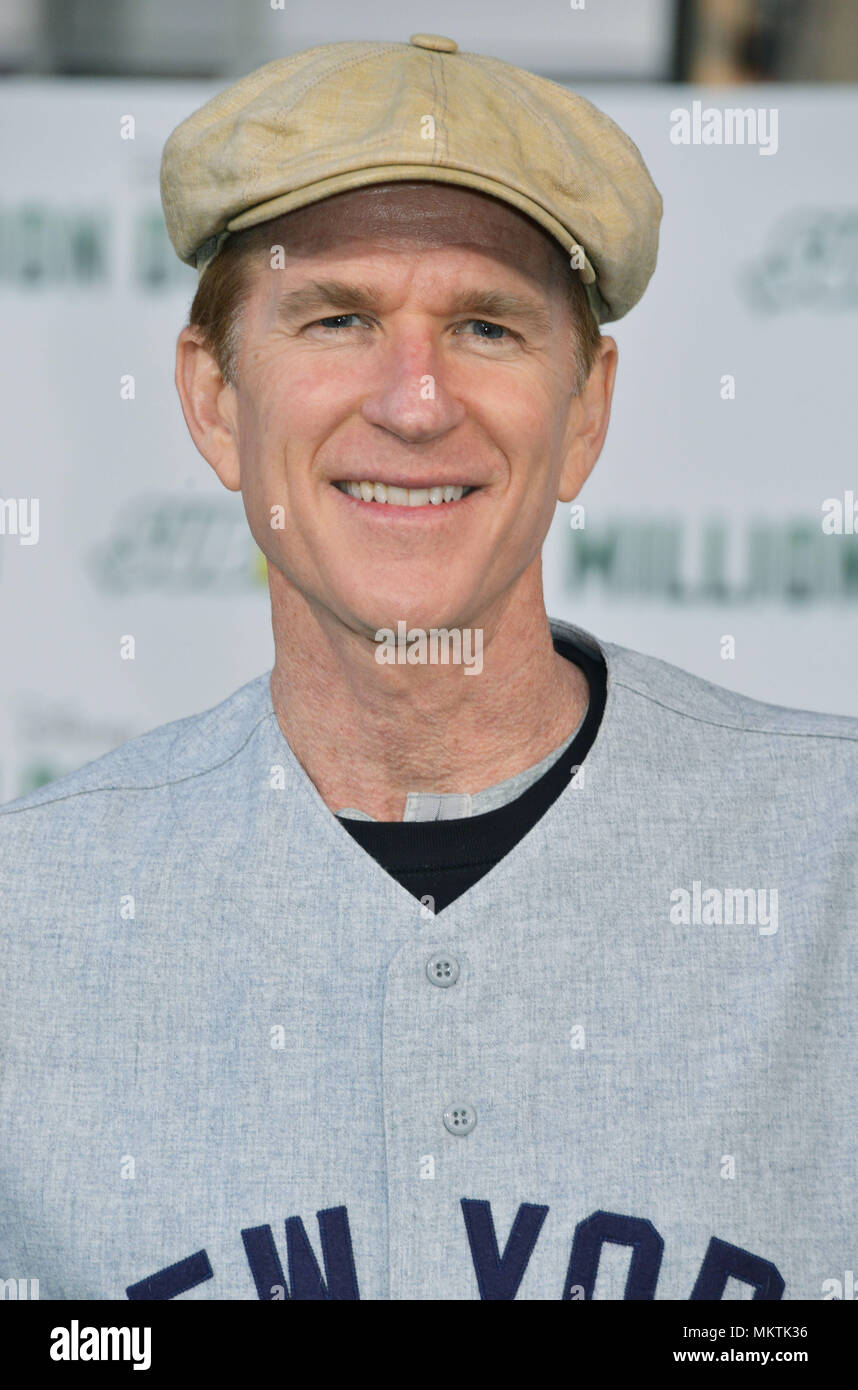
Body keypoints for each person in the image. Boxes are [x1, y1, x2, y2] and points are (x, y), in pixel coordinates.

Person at [1, 33, 855, 1302]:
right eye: (337, 316)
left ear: (588, 411)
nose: (414, 400)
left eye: (487, 325)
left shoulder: (831, 865)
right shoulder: (32, 923)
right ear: (218, 401)